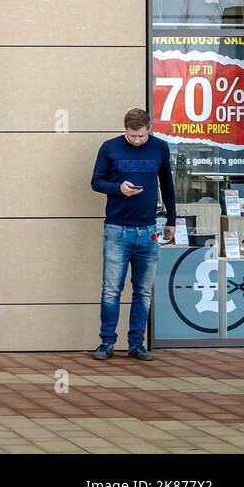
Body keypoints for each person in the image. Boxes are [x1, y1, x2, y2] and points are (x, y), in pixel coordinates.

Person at [89, 108, 177, 361]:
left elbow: (167, 184)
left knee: (143, 291)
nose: (137, 140)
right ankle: (106, 342)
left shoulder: (160, 147)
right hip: (117, 229)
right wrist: (119, 188)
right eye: (131, 136)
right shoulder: (109, 147)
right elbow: (96, 181)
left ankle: (136, 344)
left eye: (141, 136)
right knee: (111, 290)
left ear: (148, 128)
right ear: (125, 129)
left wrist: (172, 219)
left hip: (149, 229)